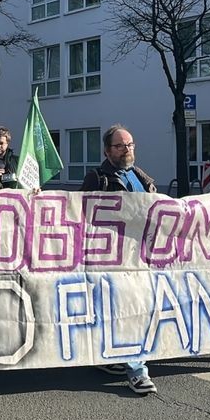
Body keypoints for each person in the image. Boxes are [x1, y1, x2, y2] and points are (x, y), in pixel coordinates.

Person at [79, 125, 160, 395]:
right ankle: (138, 371)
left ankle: (114, 357)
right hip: (112, 258)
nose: (127, 150)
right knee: (127, 312)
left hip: (140, 256)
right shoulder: (97, 178)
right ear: (107, 150)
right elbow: (83, 217)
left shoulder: (140, 176)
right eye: (120, 146)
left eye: (130, 144)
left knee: (134, 311)